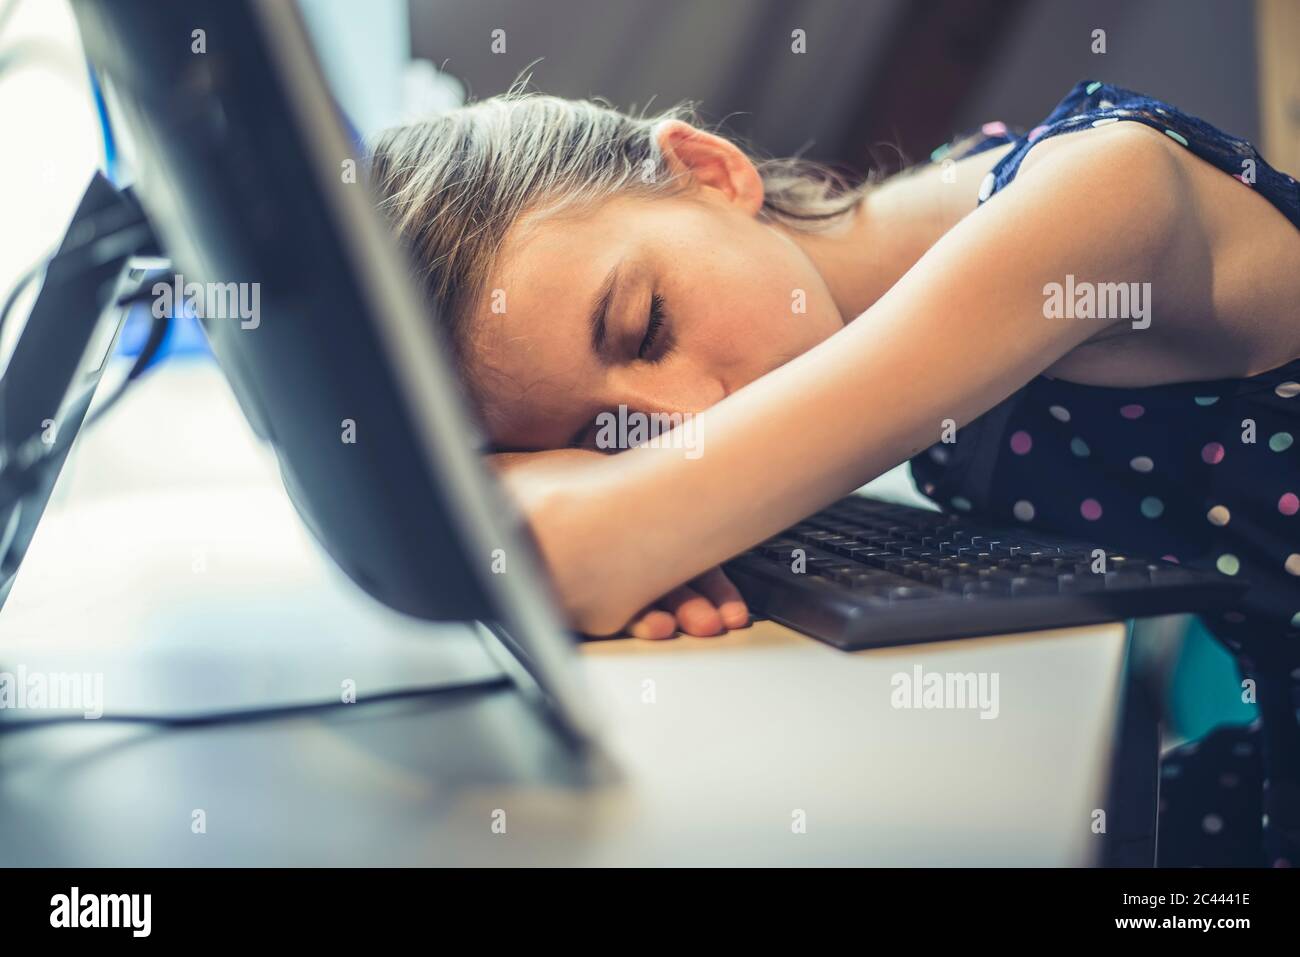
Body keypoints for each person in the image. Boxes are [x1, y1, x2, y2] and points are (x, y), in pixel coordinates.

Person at [369, 81, 1300, 866]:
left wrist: (608, 509)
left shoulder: (1096, 203)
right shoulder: (929, 231)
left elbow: (576, 551)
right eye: (603, 435)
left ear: (707, 171)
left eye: (646, 325)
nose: (692, 424)